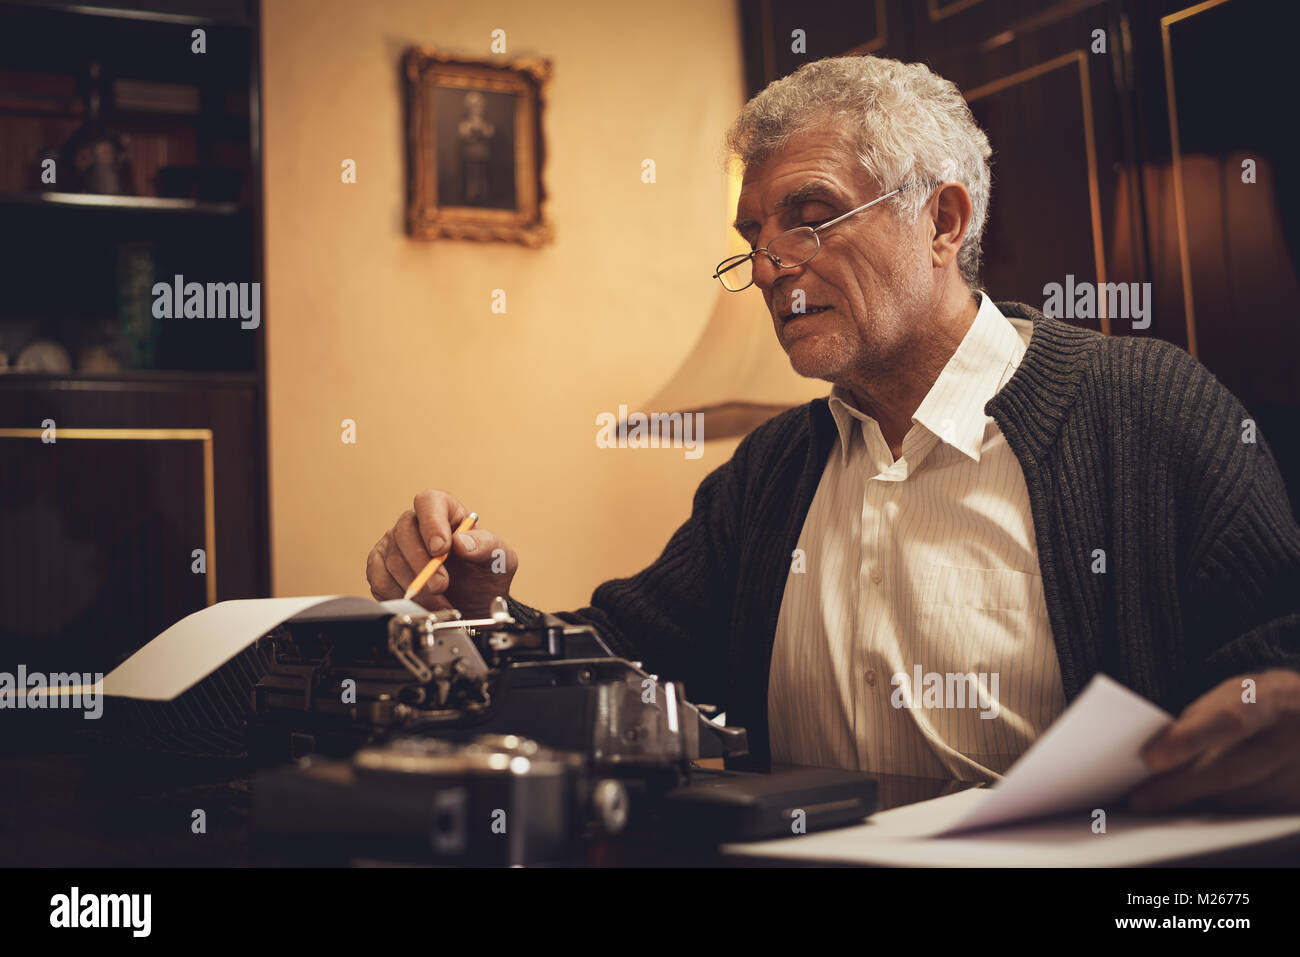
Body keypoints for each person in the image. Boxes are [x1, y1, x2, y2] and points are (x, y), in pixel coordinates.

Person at [366, 55, 1300, 812]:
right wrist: (480, 608)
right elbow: (621, 670)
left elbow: (1275, 672)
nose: (771, 264)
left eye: (811, 219)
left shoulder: (1147, 411)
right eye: (755, 232)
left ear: (942, 219)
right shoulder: (773, 469)